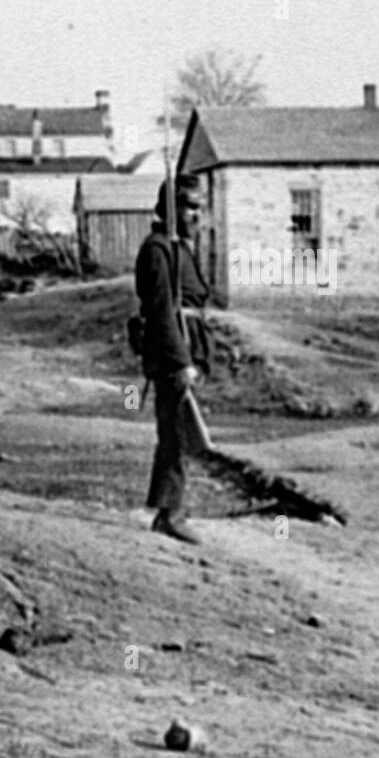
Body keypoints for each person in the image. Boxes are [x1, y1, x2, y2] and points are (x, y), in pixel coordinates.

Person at [135, 175, 212, 545]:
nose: (196, 214)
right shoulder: (157, 250)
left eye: (199, 206)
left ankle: (171, 506)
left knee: (181, 431)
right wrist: (181, 361)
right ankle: (170, 513)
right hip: (171, 352)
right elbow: (162, 311)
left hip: (187, 346)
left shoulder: (179, 247)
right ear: (170, 208)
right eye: (189, 206)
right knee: (176, 433)